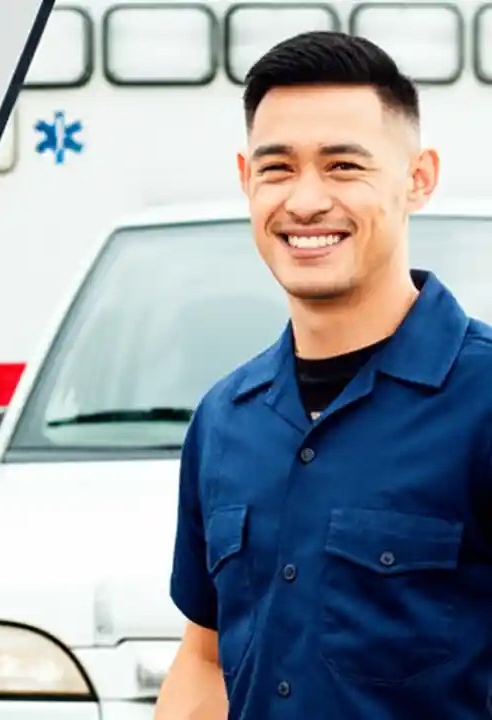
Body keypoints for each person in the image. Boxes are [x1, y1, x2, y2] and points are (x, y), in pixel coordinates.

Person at [158, 32, 492, 719]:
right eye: (278, 168)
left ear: (418, 179)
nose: (306, 202)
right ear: (247, 179)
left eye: (343, 166)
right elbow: (203, 658)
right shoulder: (226, 418)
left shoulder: (482, 402)